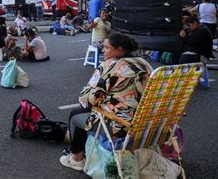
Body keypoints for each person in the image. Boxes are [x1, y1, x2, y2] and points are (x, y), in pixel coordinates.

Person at [60, 33, 153, 171]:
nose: (103, 50)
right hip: (149, 122)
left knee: (76, 115)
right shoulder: (143, 63)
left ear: (119, 49)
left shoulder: (109, 65)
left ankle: (77, 159)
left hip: (123, 126)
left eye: (106, 47)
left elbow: (87, 99)